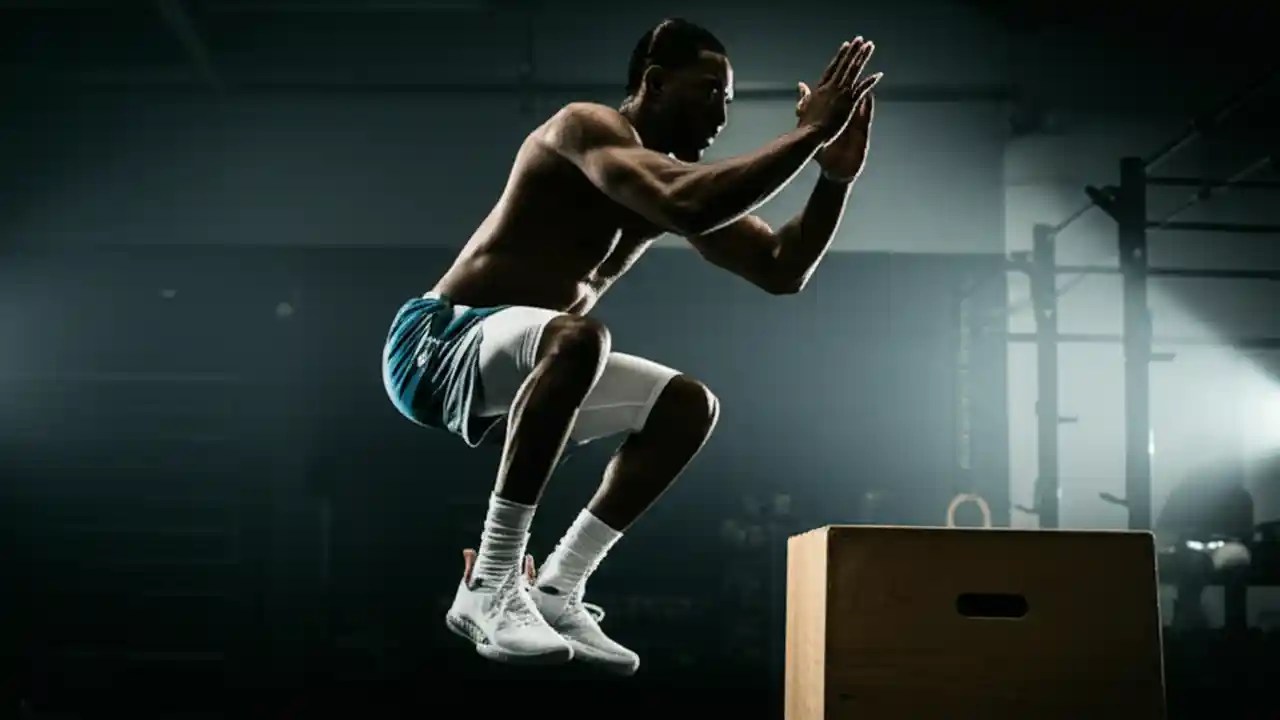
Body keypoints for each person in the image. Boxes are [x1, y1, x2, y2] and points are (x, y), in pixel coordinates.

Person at [381, 17, 881, 675]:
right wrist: (811, 129)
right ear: (653, 82)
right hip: (437, 343)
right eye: (709, 92)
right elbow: (686, 204)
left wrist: (834, 177)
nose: (720, 115)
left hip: (532, 359)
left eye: (729, 102)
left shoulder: (672, 177)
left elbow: (781, 268)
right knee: (579, 336)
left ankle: (557, 590)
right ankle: (490, 583)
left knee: (686, 407)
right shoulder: (586, 129)